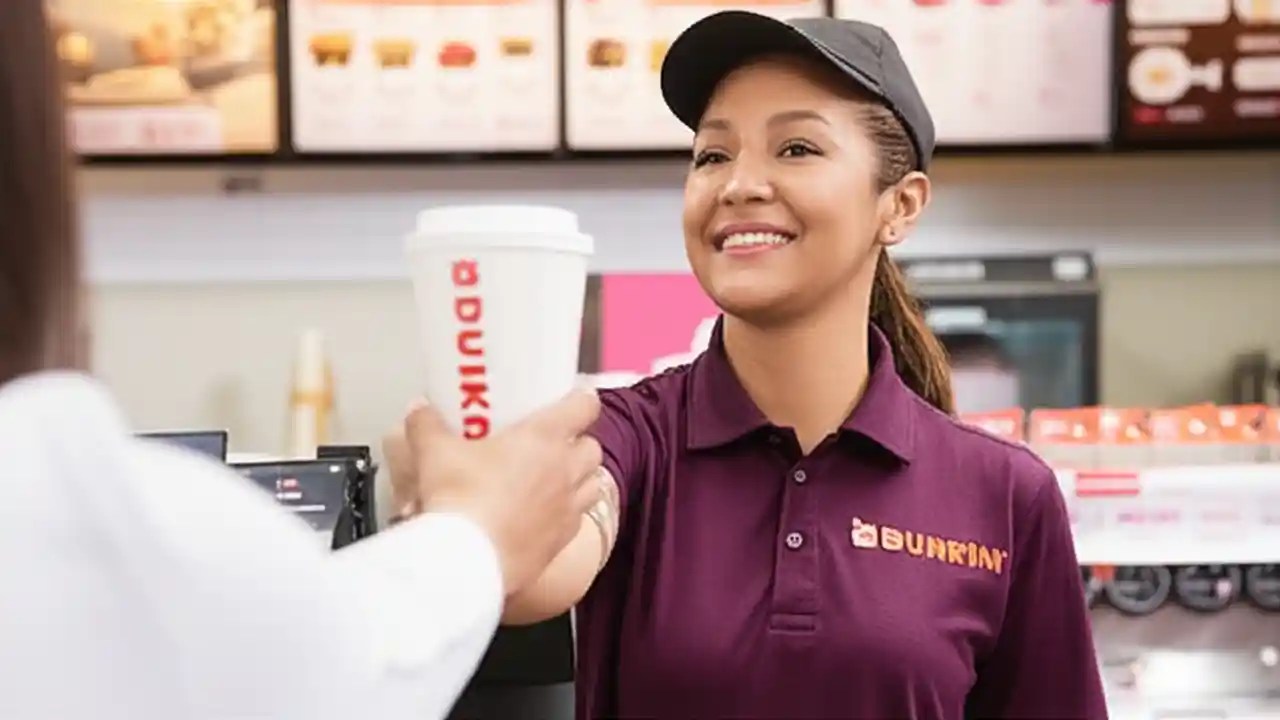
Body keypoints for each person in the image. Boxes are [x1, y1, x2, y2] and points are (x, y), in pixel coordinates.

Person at [391, 10, 1108, 719]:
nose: (739, 184)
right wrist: (467, 507)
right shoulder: (632, 437)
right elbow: (543, 565)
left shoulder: (1005, 497)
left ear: (900, 204)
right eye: (712, 155)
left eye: (796, 148)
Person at [0, 4, 603, 719]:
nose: (739, 188)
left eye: (780, 147)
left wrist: (475, 526)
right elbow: (338, 662)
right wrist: (480, 528)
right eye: (711, 154)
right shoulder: (122, 536)